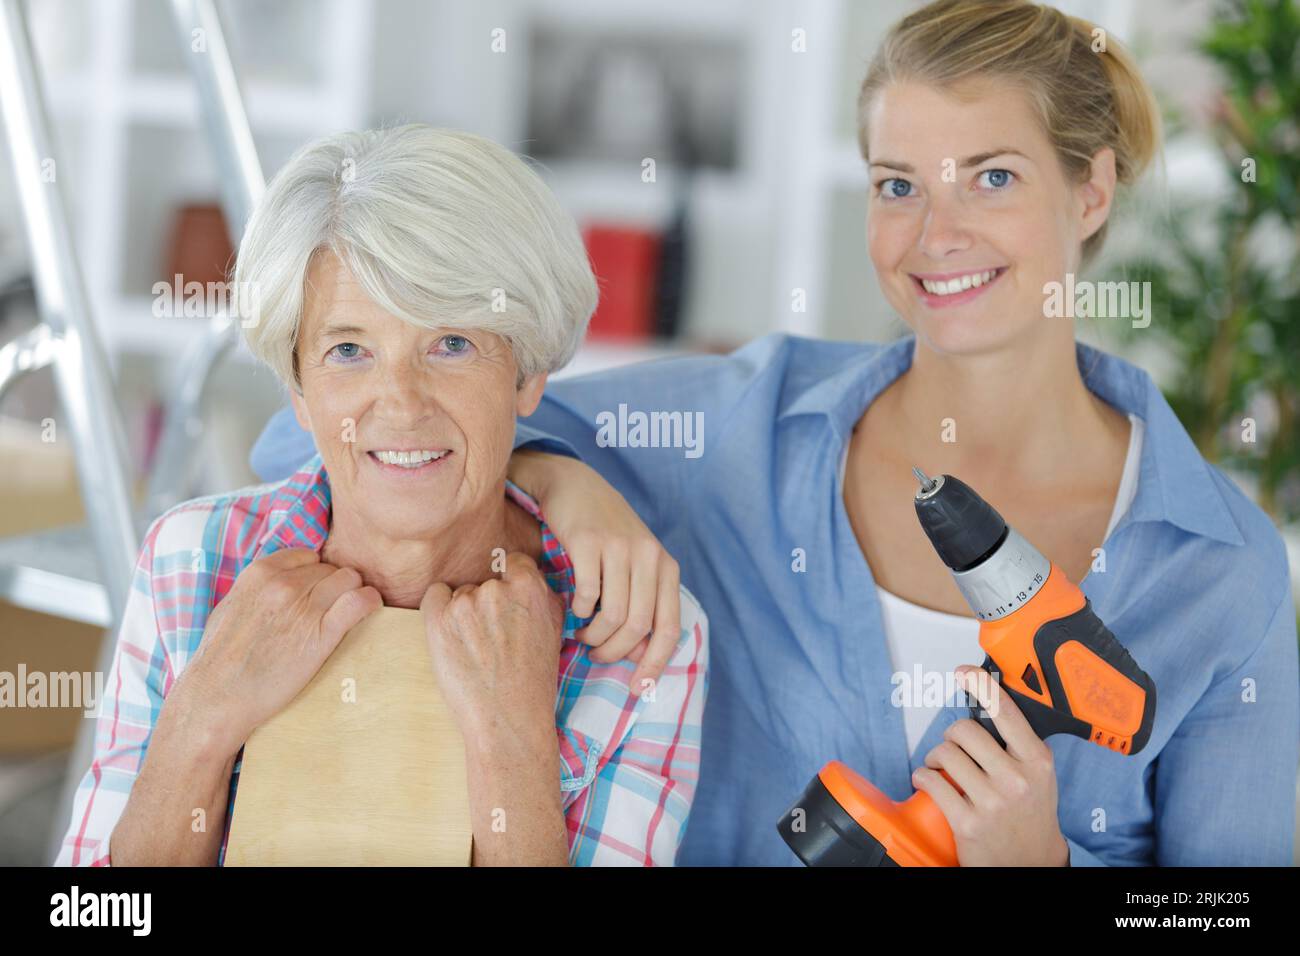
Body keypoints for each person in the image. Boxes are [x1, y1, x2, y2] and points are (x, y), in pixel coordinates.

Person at [251, 0, 1299, 865]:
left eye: (992, 176)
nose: (936, 234)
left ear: (1091, 188)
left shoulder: (1215, 569)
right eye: (898, 185)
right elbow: (301, 449)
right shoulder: (733, 433)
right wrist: (556, 478)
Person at [56, 125, 708, 867]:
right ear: (299, 390)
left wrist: (513, 744)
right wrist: (203, 718)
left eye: (450, 345)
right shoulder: (193, 559)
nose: (399, 404)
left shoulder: (641, 634)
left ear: (527, 375)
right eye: (349, 350)